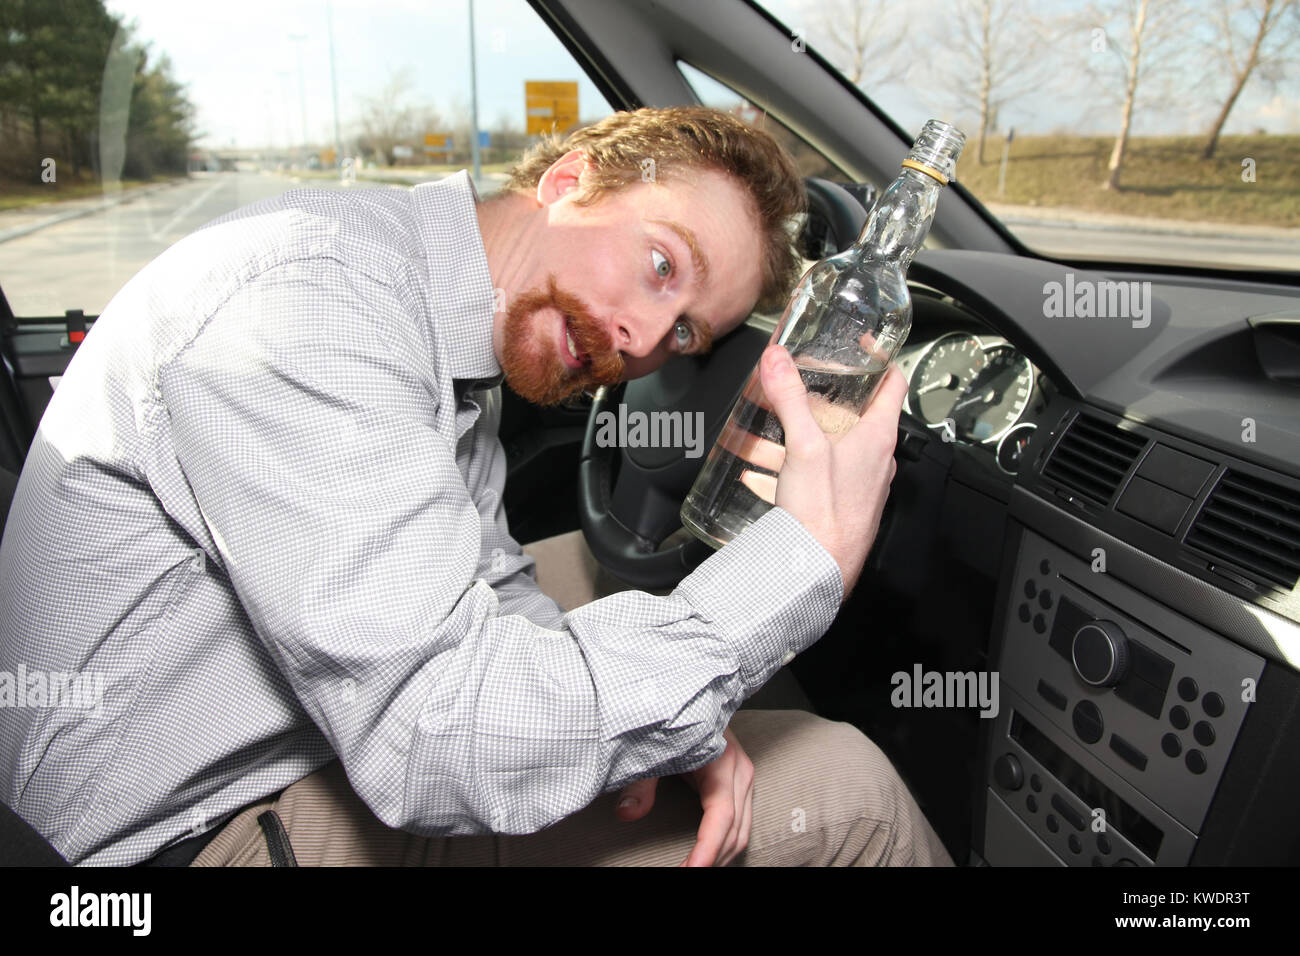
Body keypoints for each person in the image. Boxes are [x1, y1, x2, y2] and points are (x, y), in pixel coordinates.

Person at [0, 106, 951, 867]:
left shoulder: (448, 321)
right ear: (569, 182)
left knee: (611, 623)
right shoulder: (312, 302)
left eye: (689, 335)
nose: (647, 342)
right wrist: (803, 559)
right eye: (662, 265)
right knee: (850, 784)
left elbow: (488, 584)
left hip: (262, 754)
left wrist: (679, 727)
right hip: (169, 843)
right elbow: (434, 741)